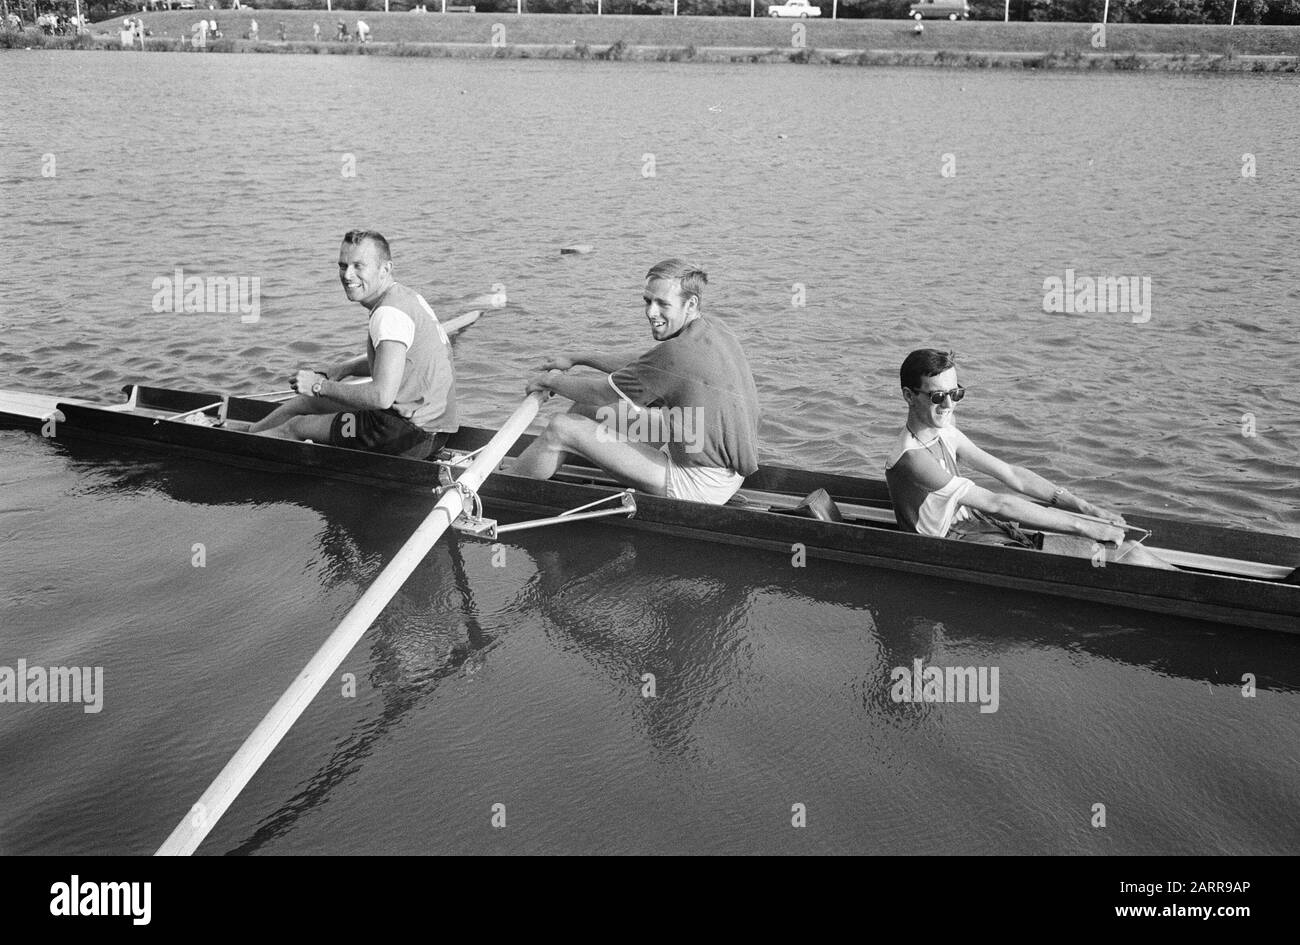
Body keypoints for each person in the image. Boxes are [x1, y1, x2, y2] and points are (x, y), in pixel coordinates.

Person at [883, 349, 1174, 568]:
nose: (949, 405)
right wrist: (1087, 527)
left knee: (1129, 550)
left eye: (956, 393)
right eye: (937, 397)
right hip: (954, 548)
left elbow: (1013, 475)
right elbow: (999, 502)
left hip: (980, 529)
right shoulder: (912, 458)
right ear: (909, 396)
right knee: (1130, 555)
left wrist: (1088, 509)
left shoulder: (946, 431)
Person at [509, 259, 761, 505]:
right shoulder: (714, 328)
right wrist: (579, 358)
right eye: (647, 301)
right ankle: (550, 468)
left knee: (560, 428)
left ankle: (499, 491)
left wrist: (549, 380)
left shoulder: (678, 353)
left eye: (662, 303)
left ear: (691, 303)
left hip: (697, 482)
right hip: (722, 468)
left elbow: (601, 393)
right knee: (587, 411)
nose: (651, 312)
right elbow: (645, 363)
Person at [248, 231, 459, 459]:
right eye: (342, 265)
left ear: (385, 269)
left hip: (404, 434)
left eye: (359, 266)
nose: (347, 275)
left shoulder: (388, 315)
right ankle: (248, 434)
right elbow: (396, 363)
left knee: (297, 426)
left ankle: (238, 451)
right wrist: (341, 370)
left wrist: (319, 385)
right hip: (434, 429)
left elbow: (381, 397)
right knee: (305, 402)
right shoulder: (406, 297)